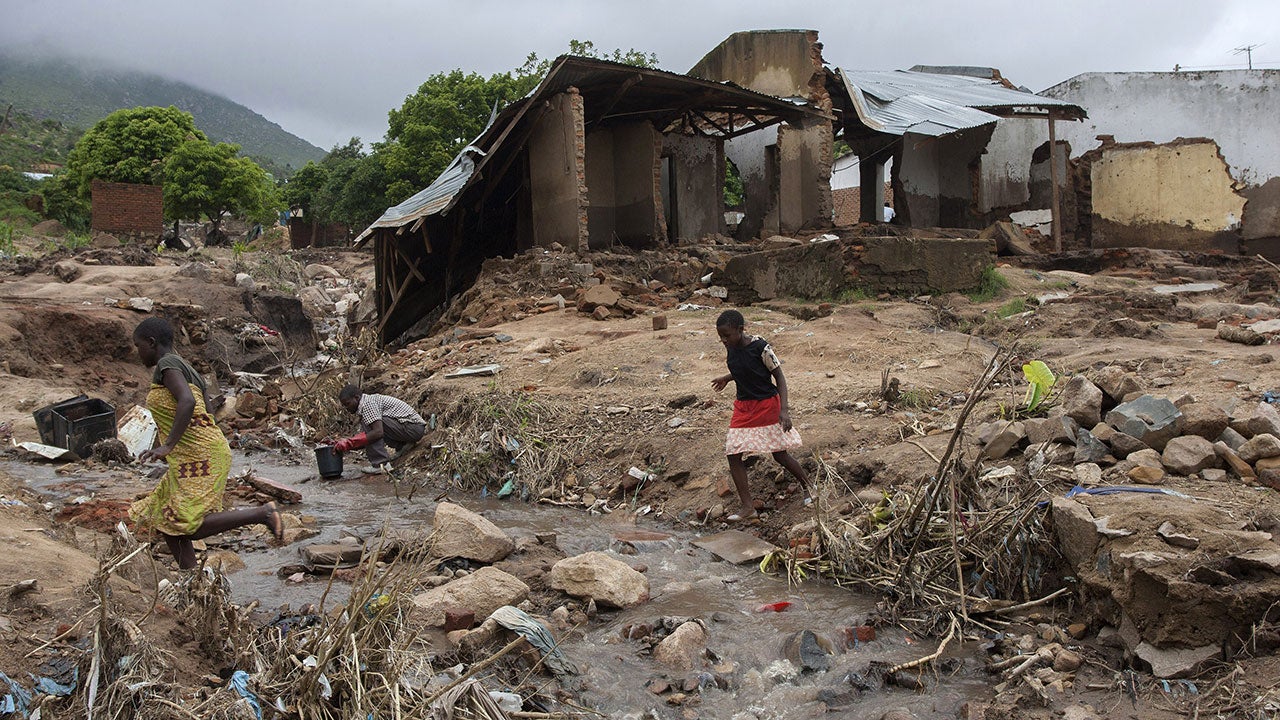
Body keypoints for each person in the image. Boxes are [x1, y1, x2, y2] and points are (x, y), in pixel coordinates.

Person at [128, 317, 282, 569]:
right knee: (165, 517)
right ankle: (191, 580)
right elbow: (207, 414)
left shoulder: (167, 364)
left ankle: (262, 513)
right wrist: (170, 447)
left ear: (151, 342)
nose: (138, 352)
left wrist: (168, 446)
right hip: (199, 454)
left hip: (201, 456)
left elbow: (187, 402)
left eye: (138, 345)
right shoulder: (186, 369)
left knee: (188, 524)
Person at [710, 309, 810, 521]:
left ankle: (809, 486)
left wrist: (784, 410)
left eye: (727, 335)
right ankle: (748, 507)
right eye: (721, 336)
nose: (723, 340)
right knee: (733, 453)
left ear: (740, 329)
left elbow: (779, 377)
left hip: (766, 405)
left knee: (779, 454)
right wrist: (728, 378)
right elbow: (745, 369)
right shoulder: (732, 347)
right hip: (744, 407)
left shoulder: (761, 347)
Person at [334, 384, 427, 474]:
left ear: (357, 398)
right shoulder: (367, 403)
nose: (346, 408)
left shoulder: (367, 405)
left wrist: (350, 443)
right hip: (412, 428)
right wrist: (347, 443)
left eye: (347, 404)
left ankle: (380, 464)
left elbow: (378, 433)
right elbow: (367, 437)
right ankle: (403, 445)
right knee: (372, 426)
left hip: (414, 428)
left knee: (374, 427)